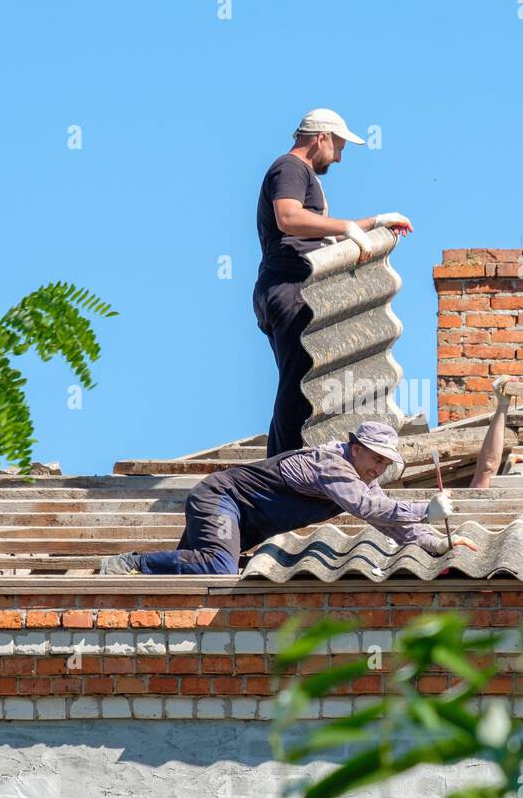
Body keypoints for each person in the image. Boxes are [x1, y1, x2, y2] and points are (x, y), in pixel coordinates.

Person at [99, 421, 475, 576]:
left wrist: (439, 543)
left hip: (240, 523)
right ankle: (130, 563)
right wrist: (425, 508)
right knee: (218, 570)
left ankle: (146, 569)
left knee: (191, 581)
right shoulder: (332, 465)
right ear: (356, 448)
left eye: (385, 463)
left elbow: (392, 523)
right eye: (376, 459)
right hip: (219, 499)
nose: (379, 468)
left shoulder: (361, 480)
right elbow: (367, 508)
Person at [253, 108, 413, 457]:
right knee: (301, 384)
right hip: (291, 286)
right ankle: (285, 468)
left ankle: (286, 462)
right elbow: (289, 217)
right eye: (338, 146)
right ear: (321, 137)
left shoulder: (299, 172)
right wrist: (345, 227)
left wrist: (374, 222)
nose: (339, 157)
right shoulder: (291, 167)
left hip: (284, 286)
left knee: (300, 382)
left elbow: (317, 238)